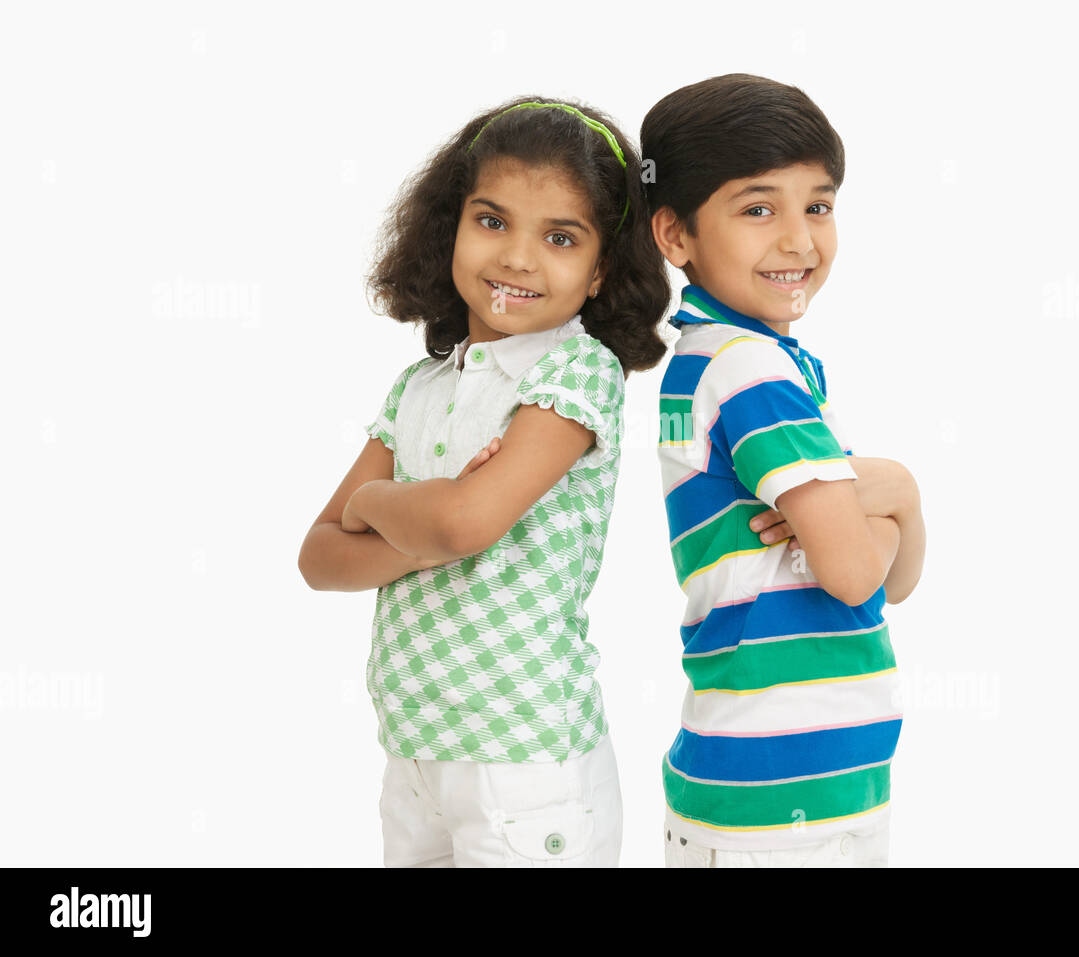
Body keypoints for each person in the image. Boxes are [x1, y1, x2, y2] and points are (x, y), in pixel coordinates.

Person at [298, 97, 669, 866]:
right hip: (413, 750)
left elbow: (464, 524)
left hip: (524, 759)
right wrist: (429, 522)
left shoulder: (576, 370)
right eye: (492, 221)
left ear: (600, 269)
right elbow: (318, 557)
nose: (517, 258)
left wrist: (375, 505)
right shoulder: (417, 387)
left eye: (560, 237)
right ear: (451, 226)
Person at [641, 73, 926, 867]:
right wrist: (897, 486)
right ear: (676, 235)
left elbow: (893, 580)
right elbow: (857, 576)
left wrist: (864, 512)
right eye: (758, 208)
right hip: (785, 806)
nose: (800, 240)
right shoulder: (748, 370)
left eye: (819, 205)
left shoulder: (730, 361)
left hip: (792, 789)